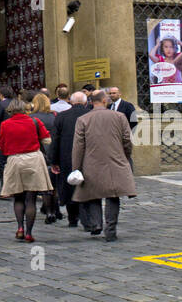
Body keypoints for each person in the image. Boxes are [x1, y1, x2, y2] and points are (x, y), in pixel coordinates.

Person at [71, 90, 137, 240]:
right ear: (105, 101)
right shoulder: (119, 117)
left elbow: (78, 146)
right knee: (113, 196)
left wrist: (76, 167)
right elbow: (127, 139)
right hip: (115, 160)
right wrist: (126, 156)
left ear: (91, 102)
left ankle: (96, 224)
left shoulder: (83, 119)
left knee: (94, 194)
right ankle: (111, 229)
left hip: (91, 162)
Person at [0, 98, 53, 242]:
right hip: (34, 159)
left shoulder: (5, 124)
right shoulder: (34, 121)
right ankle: (29, 232)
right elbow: (47, 140)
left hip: (15, 160)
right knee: (31, 199)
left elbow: (1, 146)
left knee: (18, 198)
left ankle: (20, 227)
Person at [50, 91, 91, 227]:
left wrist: (54, 161)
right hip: (89, 156)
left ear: (70, 102)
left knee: (69, 186)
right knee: (87, 186)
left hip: (66, 157)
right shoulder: (90, 116)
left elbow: (55, 140)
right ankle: (88, 220)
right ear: (85, 102)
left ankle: (72, 219)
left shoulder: (62, 117)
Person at [30, 93, 62, 224]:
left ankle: (49, 212)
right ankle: (56, 209)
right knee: (54, 183)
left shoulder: (31, 118)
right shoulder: (55, 116)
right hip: (54, 152)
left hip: (39, 152)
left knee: (44, 184)